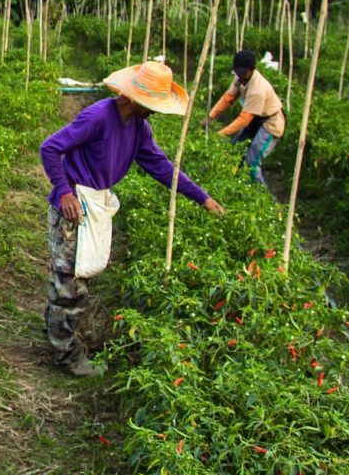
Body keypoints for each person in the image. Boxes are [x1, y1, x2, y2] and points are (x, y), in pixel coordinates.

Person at [39, 61, 225, 377]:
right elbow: (50, 148)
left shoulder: (139, 129)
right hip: (74, 204)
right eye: (151, 105)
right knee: (70, 282)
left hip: (94, 204)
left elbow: (162, 167)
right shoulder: (99, 116)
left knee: (77, 278)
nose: (153, 111)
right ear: (133, 98)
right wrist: (63, 192)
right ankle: (67, 357)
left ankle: (58, 336)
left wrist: (202, 197)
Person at [207, 50, 286, 186]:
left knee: (252, 162)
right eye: (237, 72)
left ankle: (263, 197)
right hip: (257, 119)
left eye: (243, 73)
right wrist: (210, 116)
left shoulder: (258, 90)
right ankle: (235, 184)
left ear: (252, 69)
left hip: (270, 124)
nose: (240, 76)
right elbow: (229, 98)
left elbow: (244, 119)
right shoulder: (240, 78)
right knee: (235, 149)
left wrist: (221, 133)